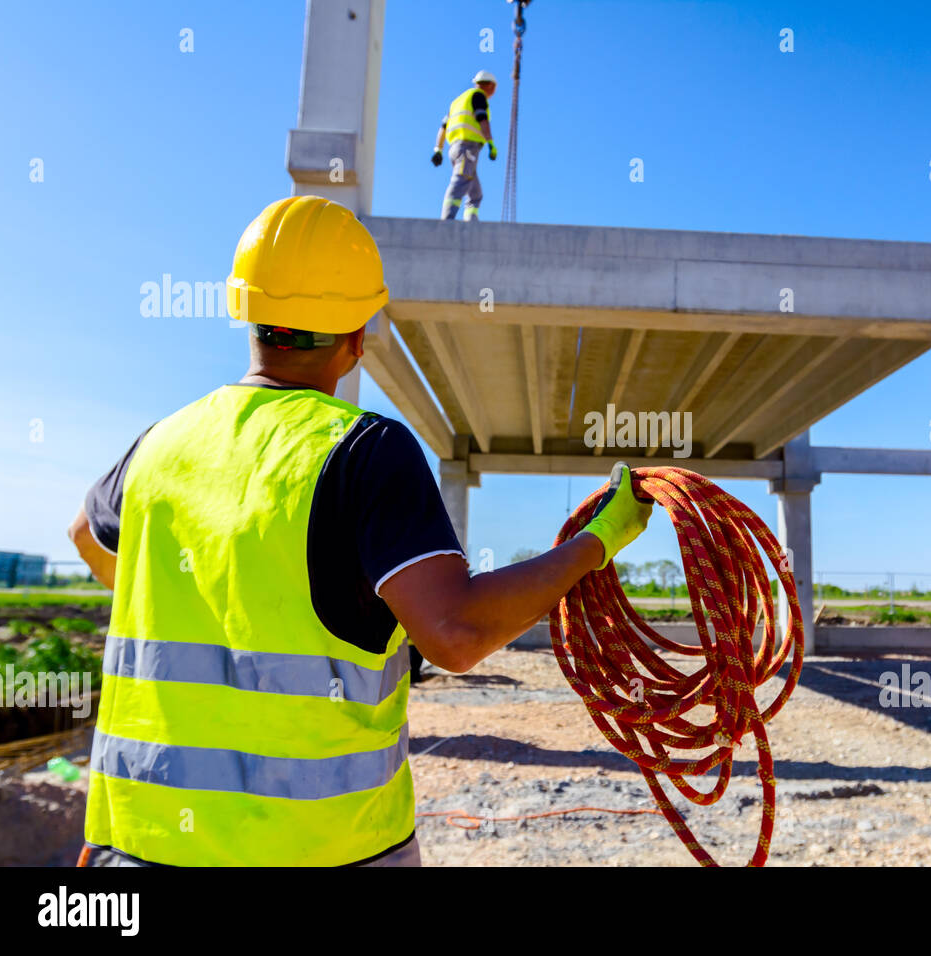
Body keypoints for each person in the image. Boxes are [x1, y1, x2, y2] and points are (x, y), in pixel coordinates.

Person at [67, 195, 651, 866]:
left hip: (139, 846)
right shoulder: (364, 450)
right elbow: (456, 633)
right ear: (356, 340)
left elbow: (87, 535)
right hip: (322, 851)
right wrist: (599, 539)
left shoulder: (160, 444)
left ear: (248, 313)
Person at [432, 70, 498, 221]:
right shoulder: (478, 96)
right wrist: (491, 143)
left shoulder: (457, 102)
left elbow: (443, 127)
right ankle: (446, 221)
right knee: (461, 180)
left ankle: (471, 223)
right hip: (467, 147)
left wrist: (438, 149)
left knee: (475, 194)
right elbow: (482, 119)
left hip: (455, 148)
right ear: (489, 85)